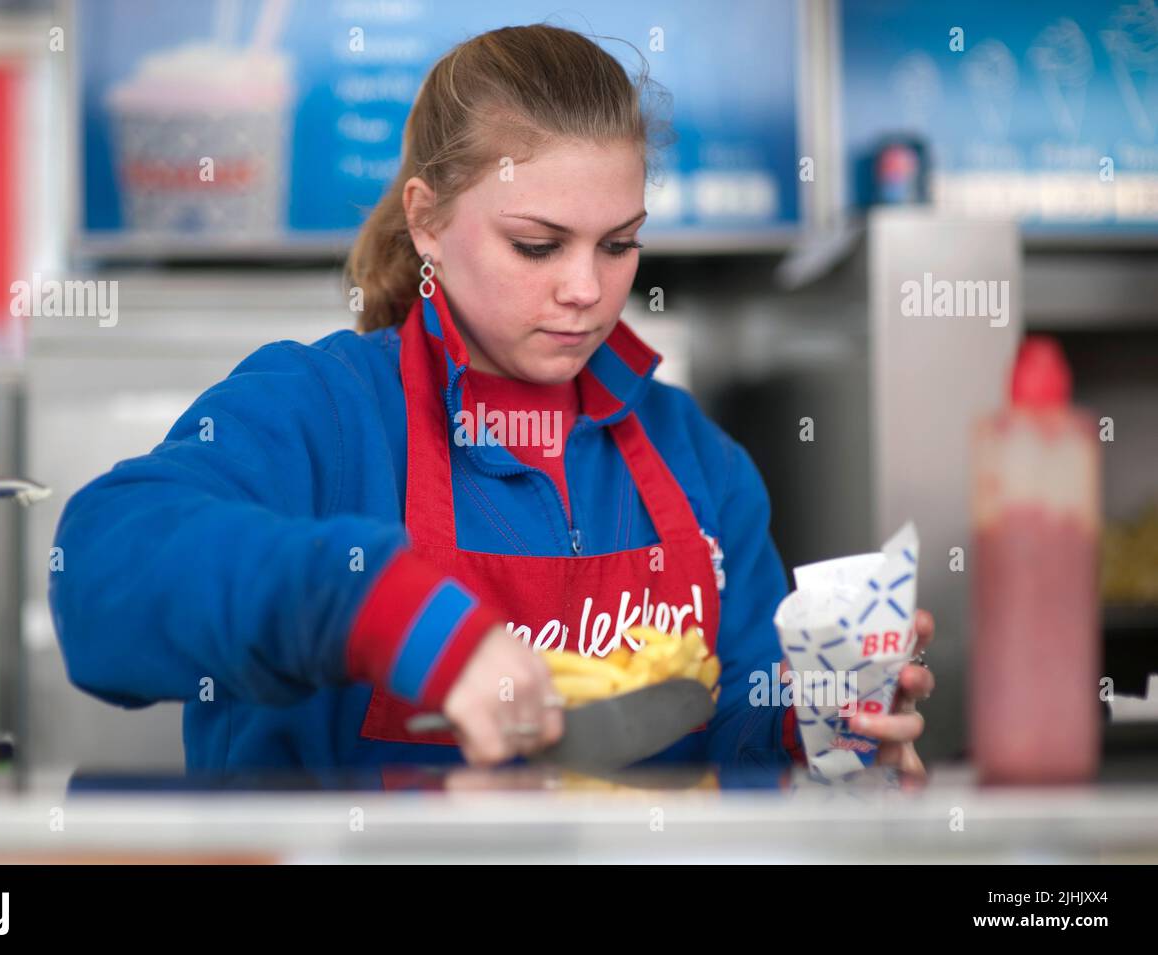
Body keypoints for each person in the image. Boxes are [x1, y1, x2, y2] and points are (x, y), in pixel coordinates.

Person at [50, 23, 934, 778]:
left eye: (619, 244)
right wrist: (375, 604)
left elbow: (727, 725)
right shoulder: (322, 412)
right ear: (428, 219)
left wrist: (815, 720)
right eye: (537, 245)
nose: (586, 288)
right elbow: (99, 571)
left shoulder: (693, 455)